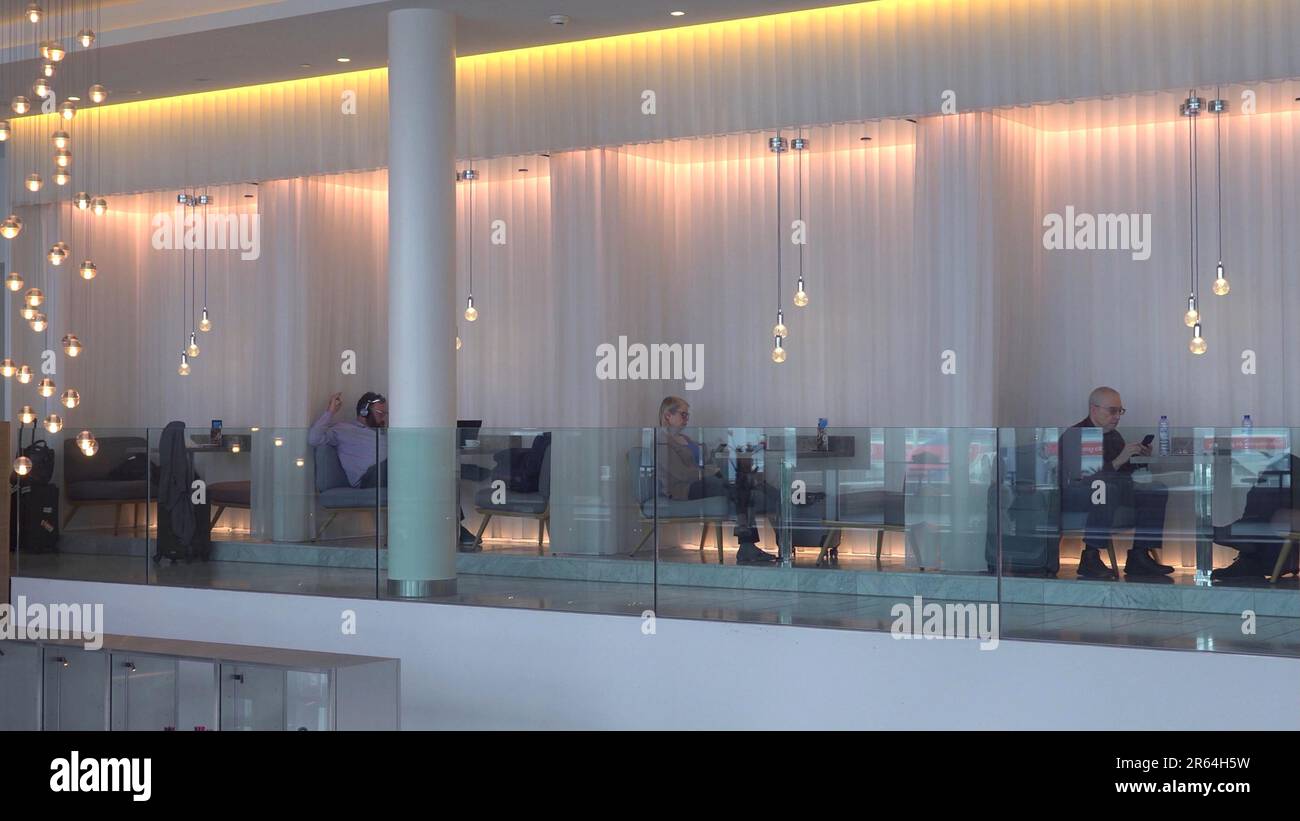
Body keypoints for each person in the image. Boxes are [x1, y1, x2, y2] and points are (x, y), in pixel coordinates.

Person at [309, 391, 474, 543]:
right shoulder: (342, 429)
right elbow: (314, 438)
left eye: (385, 414)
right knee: (417, 465)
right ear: (364, 412)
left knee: (439, 475)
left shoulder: (384, 433)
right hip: (371, 476)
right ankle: (464, 470)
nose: (384, 418)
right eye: (380, 413)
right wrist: (330, 411)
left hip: (394, 470)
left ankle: (455, 527)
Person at [1058, 386, 1173, 579]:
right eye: (1112, 411)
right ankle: (1090, 557)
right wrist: (1121, 459)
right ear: (1094, 410)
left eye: (1120, 411)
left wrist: (1138, 457)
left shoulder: (1113, 435)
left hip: (1112, 490)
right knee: (1104, 488)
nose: (1117, 416)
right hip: (1077, 495)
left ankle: (1140, 555)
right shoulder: (1077, 434)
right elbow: (1087, 479)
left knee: (1155, 489)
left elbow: (1124, 472)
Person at [657, 396, 777, 564]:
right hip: (685, 488)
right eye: (683, 415)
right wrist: (712, 470)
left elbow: (704, 459)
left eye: (687, 415)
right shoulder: (661, 442)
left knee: (745, 480)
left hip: (702, 481)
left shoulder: (686, 439)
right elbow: (682, 474)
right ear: (668, 415)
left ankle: (776, 505)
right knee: (738, 485)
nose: (686, 419)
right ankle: (747, 546)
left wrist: (717, 454)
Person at [1212, 453, 1300, 582]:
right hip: (1271, 527)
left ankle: (1250, 552)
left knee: (1270, 500)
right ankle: (1250, 553)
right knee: (1265, 494)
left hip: (1274, 527)